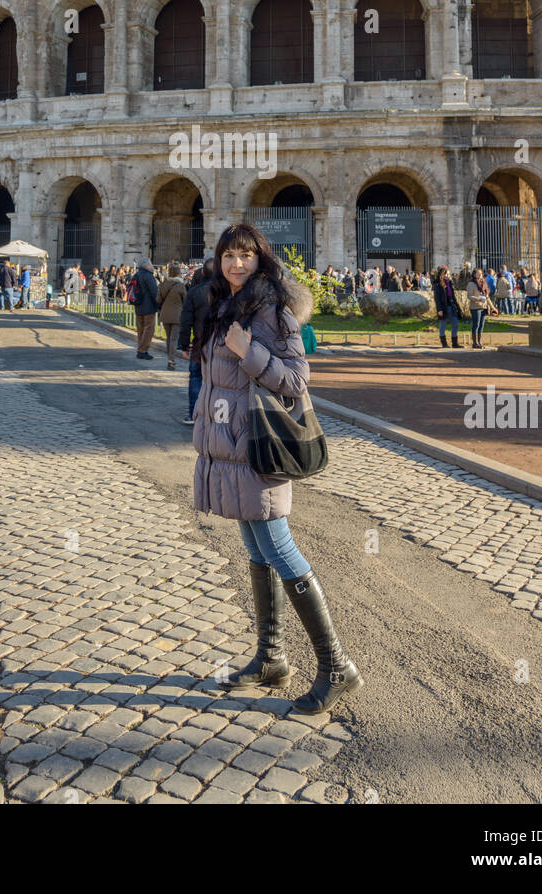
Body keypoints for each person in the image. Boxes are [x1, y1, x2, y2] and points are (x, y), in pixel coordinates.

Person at [193, 221, 362, 714]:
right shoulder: (224, 303)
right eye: (228, 255)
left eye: (245, 255)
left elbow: (295, 380)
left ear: (259, 258)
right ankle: (271, 656)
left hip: (261, 447)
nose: (236, 264)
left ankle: (336, 667)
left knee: (280, 547)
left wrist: (251, 355)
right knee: (256, 547)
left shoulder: (273, 309)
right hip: (233, 447)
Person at [178, 255, 214, 424]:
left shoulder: (194, 293)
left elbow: (185, 322)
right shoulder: (228, 290)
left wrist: (184, 345)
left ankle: (194, 413)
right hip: (223, 342)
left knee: (196, 378)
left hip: (200, 341)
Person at [157, 261, 187, 369]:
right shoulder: (180, 285)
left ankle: (169, 359)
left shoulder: (164, 284)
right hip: (177, 315)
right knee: (174, 339)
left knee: (168, 338)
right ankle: (171, 360)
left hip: (165, 314)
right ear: (179, 272)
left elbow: (158, 299)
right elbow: (185, 300)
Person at [132, 257, 159, 360]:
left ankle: (140, 349)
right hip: (148, 307)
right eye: (151, 264)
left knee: (141, 330)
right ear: (147, 265)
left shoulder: (136, 275)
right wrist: (158, 305)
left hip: (138, 306)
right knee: (148, 330)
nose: (152, 266)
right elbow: (154, 292)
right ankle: (142, 351)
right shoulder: (149, 276)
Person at [466, 268, 497, 350]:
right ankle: (475, 343)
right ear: (474, 274)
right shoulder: (471, 284)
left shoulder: (483, 283)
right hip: (475, 306)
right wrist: (477, 299)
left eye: (481, 273)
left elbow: (487, 297)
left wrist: (493, 307)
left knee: (481, 325)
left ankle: (479, 342)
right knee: (476, 324)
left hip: (484, 307)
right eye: (478, 273)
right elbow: (469, 296)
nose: (480, 275)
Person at [433, 265, 462, 348]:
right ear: (442, 274)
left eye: (449, 274)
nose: (448, 275)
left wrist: (457, 306)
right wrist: (439, 309)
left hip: (451, 305)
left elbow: (453, 296)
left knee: (455, 323)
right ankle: (444, 343)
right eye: (447, 274)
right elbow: (437, 298)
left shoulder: (449, 283)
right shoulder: (437, 284)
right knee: (443, 325)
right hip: (443, 307)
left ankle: (455, 343)